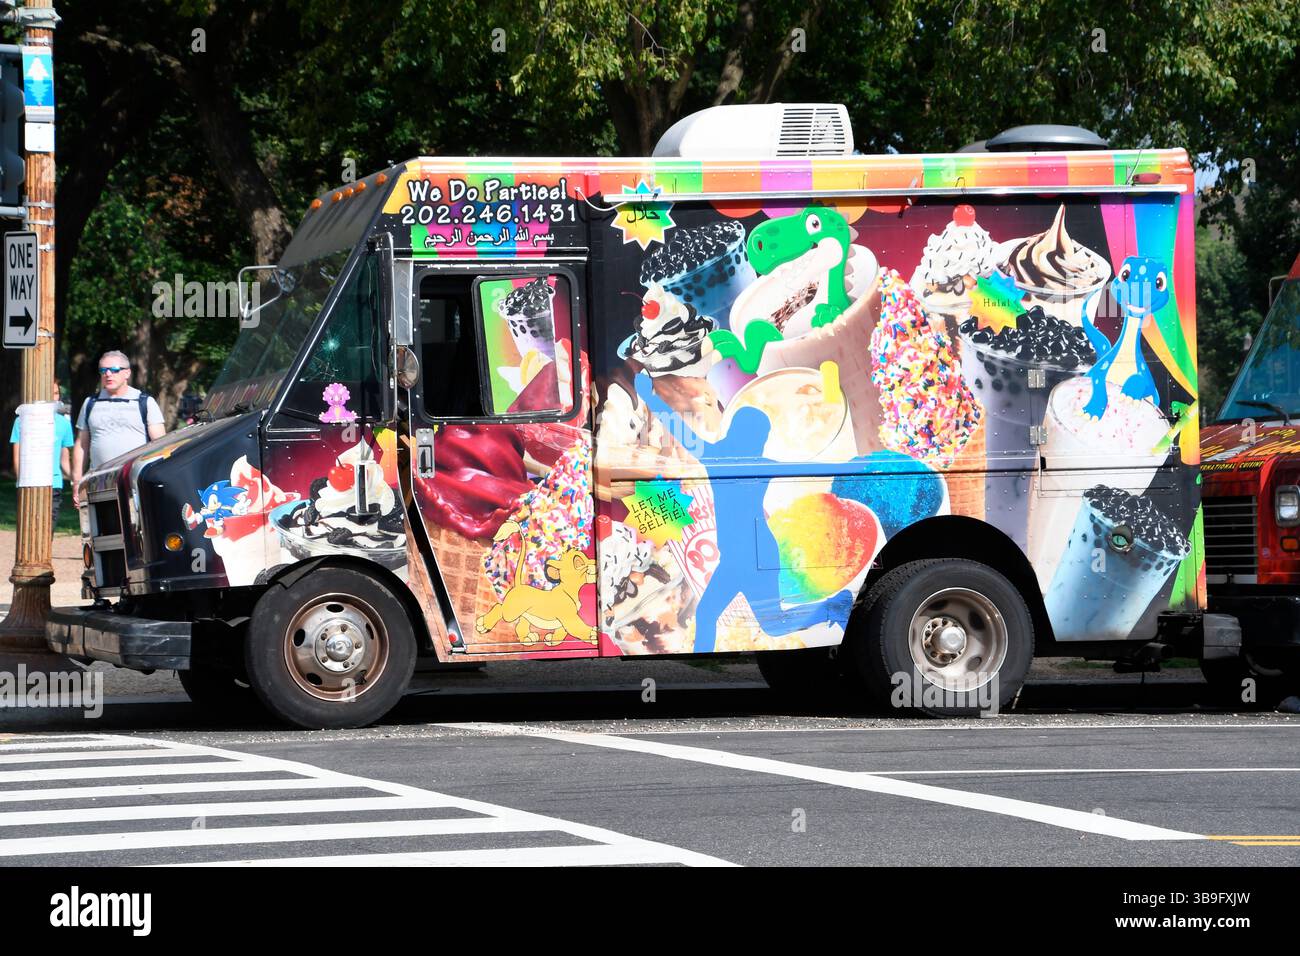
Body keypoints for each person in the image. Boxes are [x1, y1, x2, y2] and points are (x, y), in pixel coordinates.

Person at [71, 351, 166, 505]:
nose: (108, 374)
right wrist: (77, 482)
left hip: (135, 482)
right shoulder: (90, 403)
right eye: (103, 370)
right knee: (104, 528)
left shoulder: (144, 402)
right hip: (99, 483)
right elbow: (82, 445)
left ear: (127, 373)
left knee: (138, 527)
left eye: (114, 370)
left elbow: (161, 445)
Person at [9, 377, 76, 529]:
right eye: (50, 393)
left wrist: (77, 480)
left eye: (56, 393)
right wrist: (21, 484)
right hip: (29, 482)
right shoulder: (21, 421)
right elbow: (17, 458)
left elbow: (64, 460)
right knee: (29, 527)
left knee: (47, 528)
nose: (54, 397)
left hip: (54, 484)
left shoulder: (64, 424)